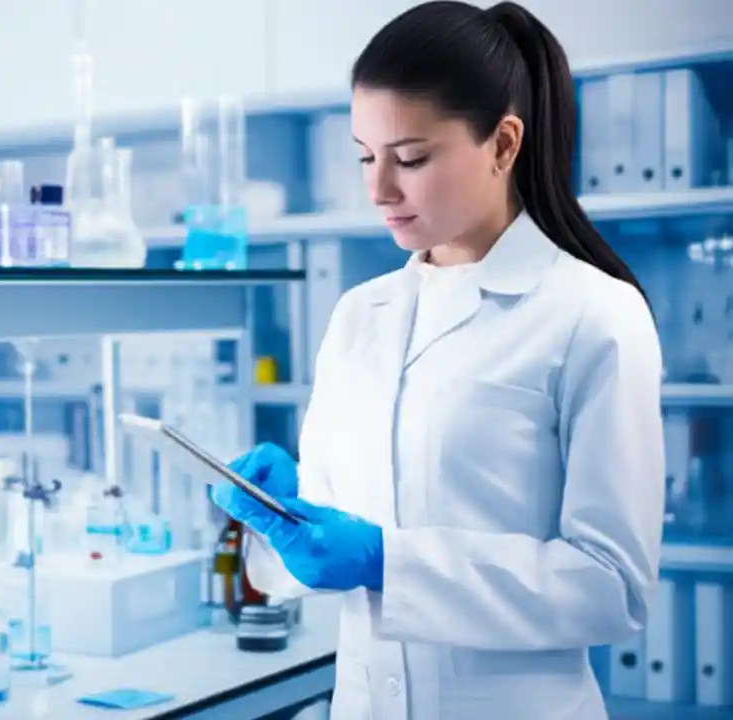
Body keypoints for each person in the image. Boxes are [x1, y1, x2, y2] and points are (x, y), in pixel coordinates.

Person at [211, 2, 665, 719]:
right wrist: (280, 519)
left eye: (412, 158)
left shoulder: (593, 314)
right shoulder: (359, 315)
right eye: (365, 155)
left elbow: (612, 587)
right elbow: (323, 557)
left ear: (504, 144)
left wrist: (386, 560)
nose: (377, 189)